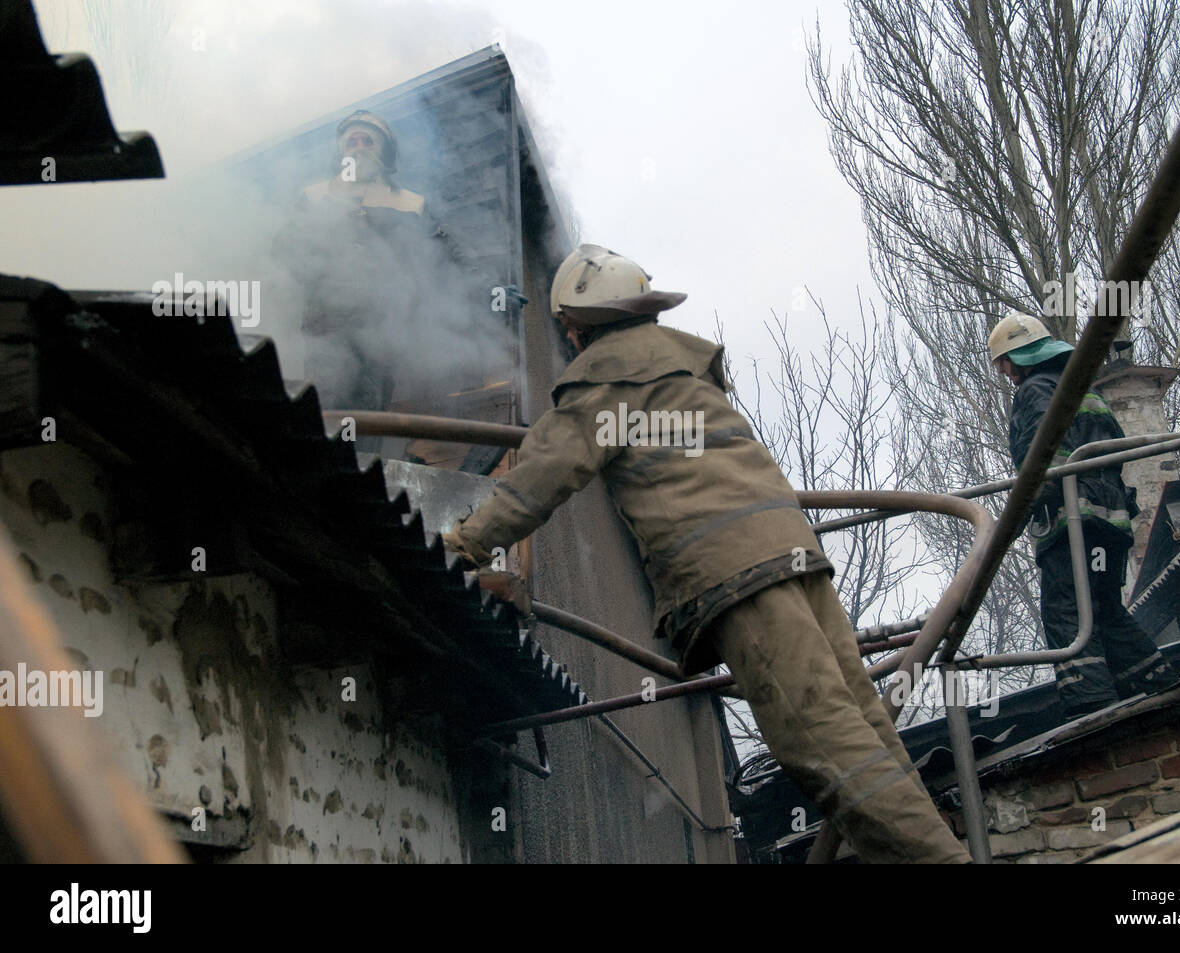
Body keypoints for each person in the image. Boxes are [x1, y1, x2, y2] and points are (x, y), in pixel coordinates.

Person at [442, 244, 970, 863]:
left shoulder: (605, 377)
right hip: (796, 558)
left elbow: (536, 481)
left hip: (735, 575)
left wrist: (459, 546)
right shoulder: (684, 366)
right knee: (865, 728)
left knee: (824, 746)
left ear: (573, 324)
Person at [988, 311, 1179, 718]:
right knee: (1105, 608)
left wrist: (1024, 510)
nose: (1004, 374)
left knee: (1066, 610)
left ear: (1019, 357)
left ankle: (1090, 704)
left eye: (1003, 362)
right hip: (1111, 520)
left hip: (1072, 519)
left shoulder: (1035, 390)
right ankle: (1154, 681)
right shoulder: (1084, 391)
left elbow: (1047, 455)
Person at [274, 109, 458, 453]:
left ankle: (360, 483)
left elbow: (445, 257)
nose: (358, 147)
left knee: (367, 417)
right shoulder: (315, 197)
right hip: (325, 329)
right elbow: (285, 250)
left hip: (380, 333)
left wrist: (490, 290)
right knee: (325, 411)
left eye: (367, 141)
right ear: (341, 151)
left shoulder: (410, 203)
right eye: (352, 141)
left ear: (384, 151)